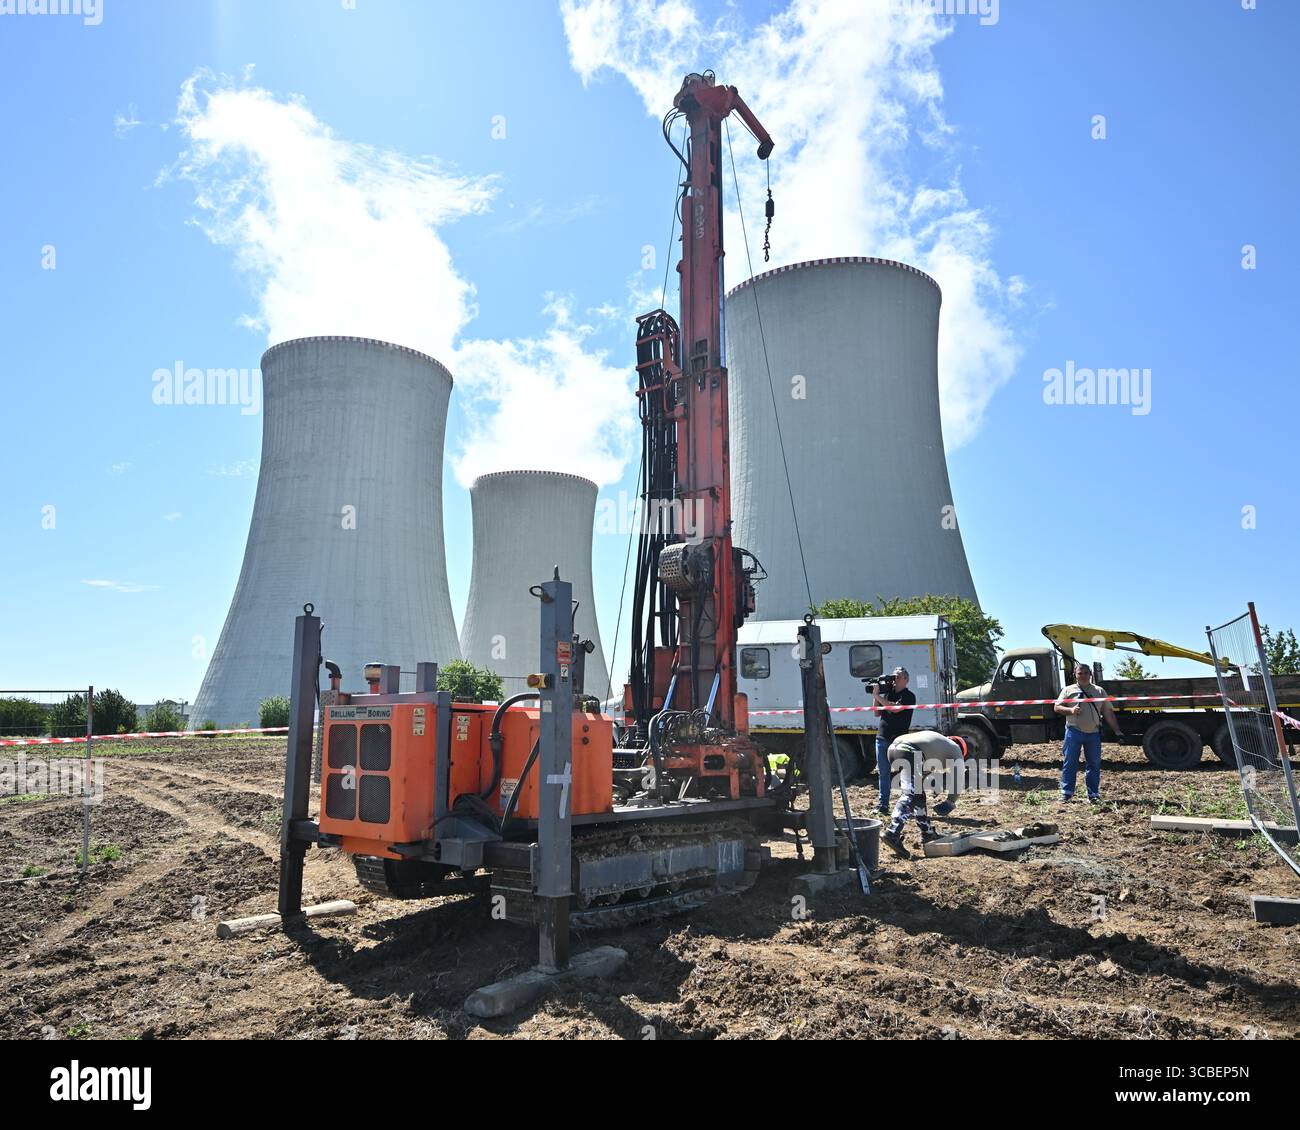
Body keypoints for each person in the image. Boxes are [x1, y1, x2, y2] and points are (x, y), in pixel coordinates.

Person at [880, 729, 967, 857]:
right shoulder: (955, 749)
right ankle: (892, 832)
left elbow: (923, 775)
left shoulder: (937, 744)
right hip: (910, 752)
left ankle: (927, 832)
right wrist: (951, 801)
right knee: (911, 794)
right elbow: (958, 778)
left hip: (893, 750)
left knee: (918, 794)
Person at [1054, 661, 1124, 803]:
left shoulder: (1099, 691)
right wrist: (1071, 710)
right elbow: (1057, 707)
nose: (1083, 675)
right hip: (1073, 732)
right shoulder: (1068, 690)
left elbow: (1108, 713)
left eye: (1086, 673)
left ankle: (1093, 794)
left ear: (1091, 674)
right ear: (1075, 674)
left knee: (1094, 764)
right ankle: (1066, 793)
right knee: (1070, 762)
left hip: (1093, 733)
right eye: (1080, 673)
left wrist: (1118, 732)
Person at [871, 667, 916, 814]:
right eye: (894, 677)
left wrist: (878, 696)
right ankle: (883, 805)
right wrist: (876, 695)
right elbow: (877, 713)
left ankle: (908, 805)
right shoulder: (887, 694)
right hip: (882, 738)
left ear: (906, 680)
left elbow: (896, 708)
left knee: (905, 773)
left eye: (898, 677)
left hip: (899, 741)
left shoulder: (909, 696)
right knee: (883, 773)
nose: (895, 680)